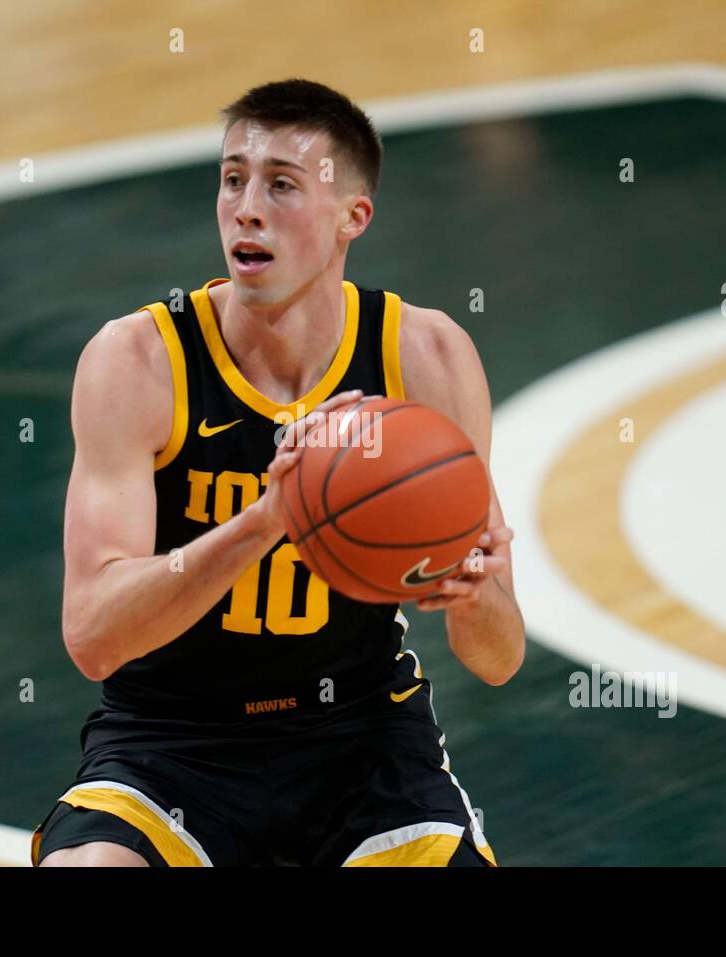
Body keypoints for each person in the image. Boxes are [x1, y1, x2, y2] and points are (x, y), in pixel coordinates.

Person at [32, 78, 525, 867]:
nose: (246, 208)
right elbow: (92, 637)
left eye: (282, 185)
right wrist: (264, 520)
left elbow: (499, 658)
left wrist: (471, 598)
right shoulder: (137, 362)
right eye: (233, 178)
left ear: (350, 217)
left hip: (362, 742)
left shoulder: (424, 357)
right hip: (173, 743)